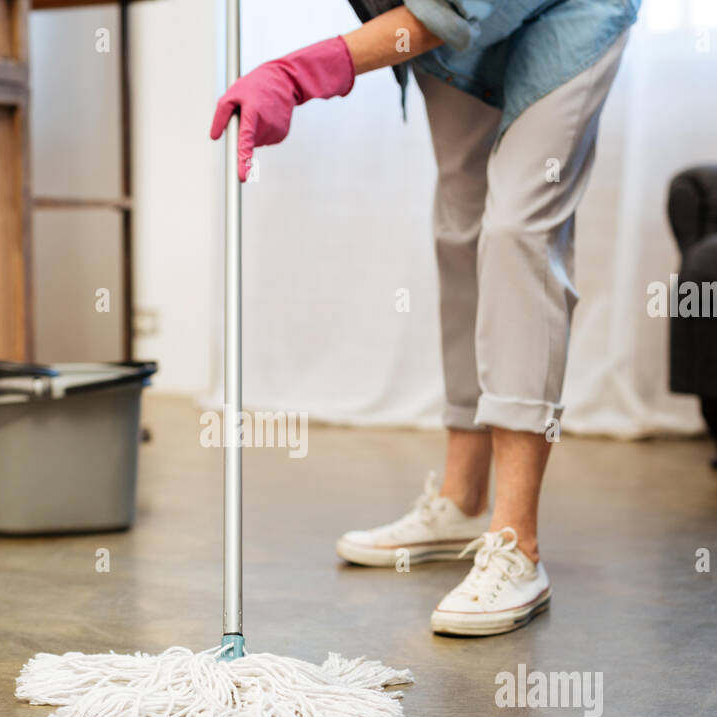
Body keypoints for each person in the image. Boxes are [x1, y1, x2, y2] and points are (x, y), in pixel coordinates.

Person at [211, 0, 639, 636]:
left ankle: (517, 545)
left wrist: (300, 73)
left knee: (518, 228)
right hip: (449, 27)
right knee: (461, 230)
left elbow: (453, 10)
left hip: (567, 13)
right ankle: (462, 501)